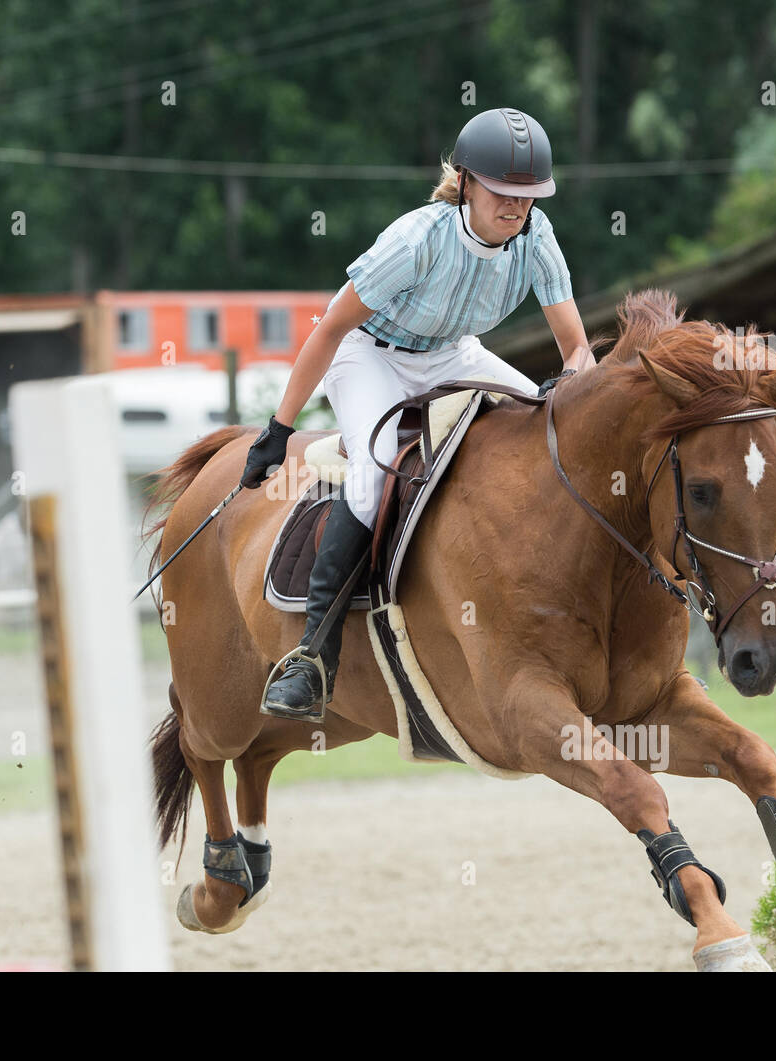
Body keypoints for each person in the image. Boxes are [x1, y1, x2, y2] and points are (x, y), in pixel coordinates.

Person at [240, 107, 596, 722]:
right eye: (502, 193)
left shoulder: (537, 238)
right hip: (368, 355)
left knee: (547, 425)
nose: (515, 208)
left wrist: (573, 393)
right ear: (465, 181)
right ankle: (312, 657)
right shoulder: (416, 240)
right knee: (374, 475)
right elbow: (328, 331)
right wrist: (279, 429)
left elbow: (577, 349)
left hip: (452, 355)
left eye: (527, 197)